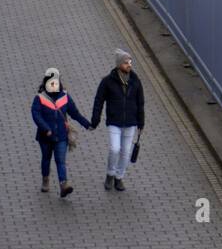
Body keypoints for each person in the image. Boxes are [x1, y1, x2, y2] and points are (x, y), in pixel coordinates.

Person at [31, 67, 93, 198]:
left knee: (60, 160)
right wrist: (46, 128)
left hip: (61, 136)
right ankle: (45, 179)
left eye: (55, 82)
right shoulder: (40, 98)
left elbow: (74, 113)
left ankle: (63, 184)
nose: (54, 85)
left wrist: (87, 124)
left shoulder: (64, 96)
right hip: (45, 137)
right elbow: (36, 115)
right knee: (46, 159)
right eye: (51, 82)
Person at [91, 49, 145, 192]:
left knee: (126, 152)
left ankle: (119, 177)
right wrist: (95, 119)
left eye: (130, 62)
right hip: (114, 121)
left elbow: (140, 102)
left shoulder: (135, 80)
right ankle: (110, 174)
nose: (129, 65)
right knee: (115, 149)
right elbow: (99, 100)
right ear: (119, 64)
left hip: (130, 123)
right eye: (126, 63)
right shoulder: (107, 81)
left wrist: (141, 122)